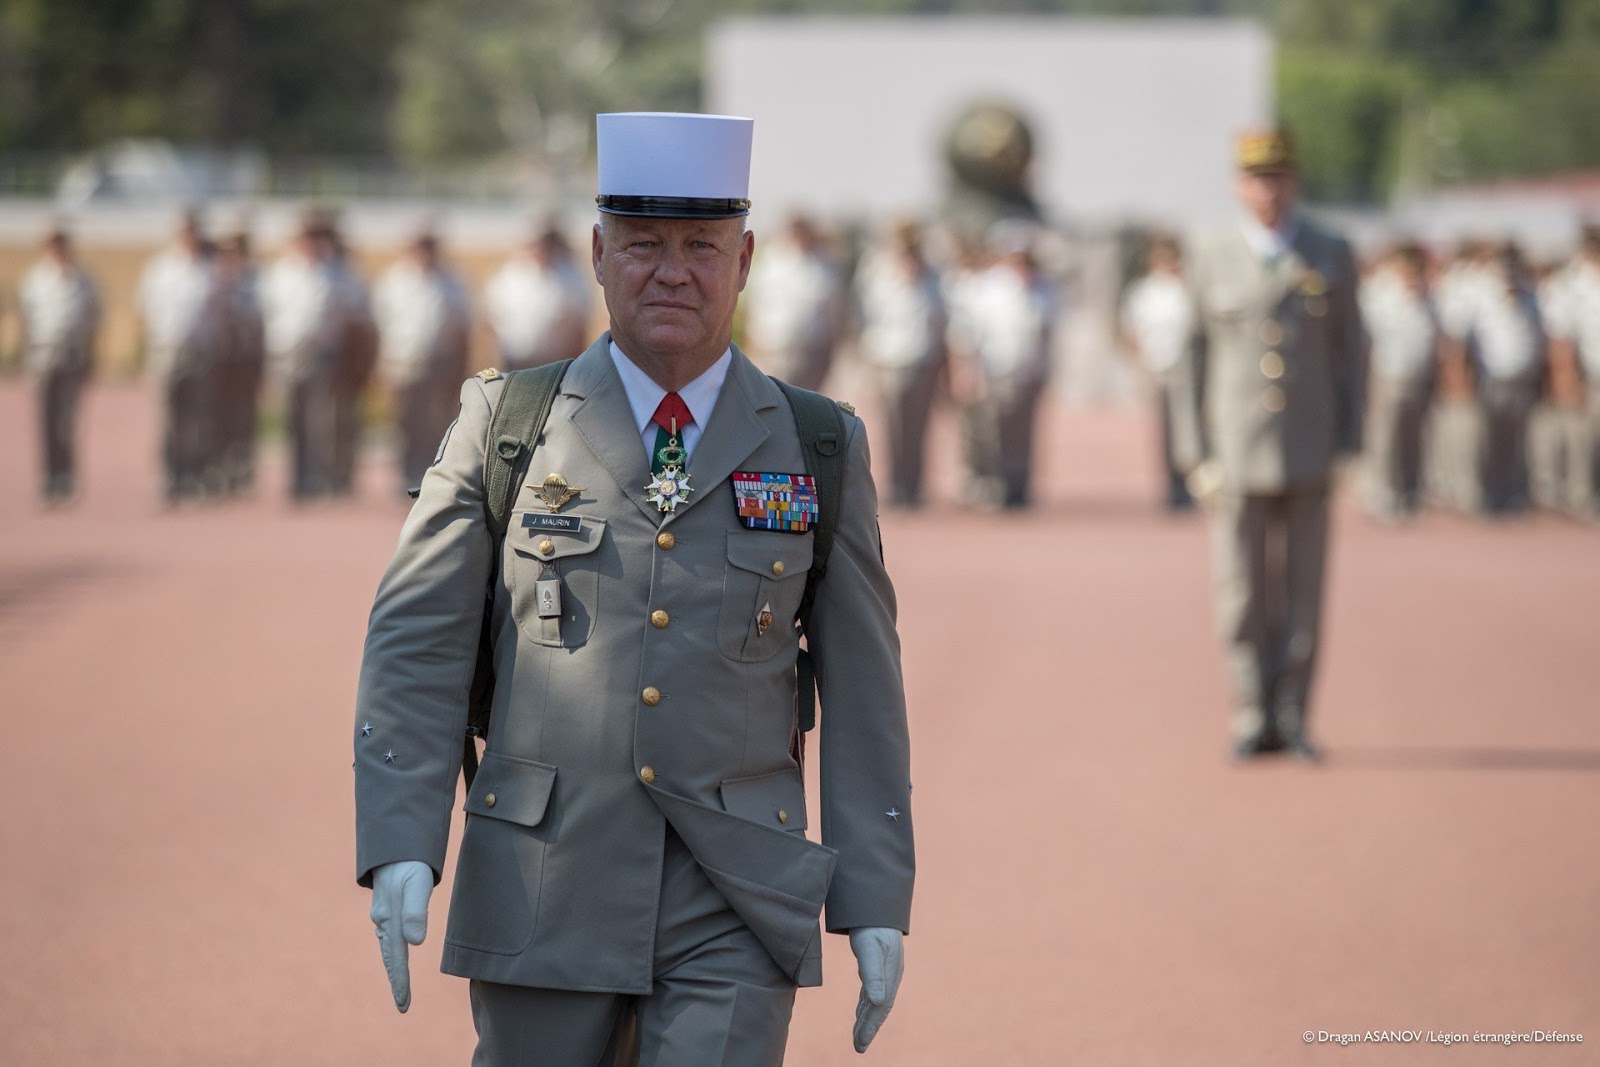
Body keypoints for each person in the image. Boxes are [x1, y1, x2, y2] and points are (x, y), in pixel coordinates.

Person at [353, 112, 913, 1065]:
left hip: (736, 889)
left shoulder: (818, 444)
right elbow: (418, 642)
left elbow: (864, 686)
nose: (673, 271)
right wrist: (401, 838)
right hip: (544, 874)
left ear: (744, 260)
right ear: (600, 253)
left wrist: (873, 895)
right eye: (645, 245)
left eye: (702, 246)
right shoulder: (508, 422)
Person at [1172, 128, 1365, 760]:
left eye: (1278, 177)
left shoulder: (1331, 250)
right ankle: (1252, 714)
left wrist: (1350, 445)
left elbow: (1351, 353)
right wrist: (1194, 453)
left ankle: (1296, 716)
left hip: (1309, 447)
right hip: (1235, 451)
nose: (1268, 189)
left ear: (1295, 183)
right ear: (1238, 186)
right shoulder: (1210, 252)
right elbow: (1191, 357)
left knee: (1306, 593)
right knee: (1242, 593)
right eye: (1256, 178)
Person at [947, 222, 1057, 510]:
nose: (1021, 263)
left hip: (1028, 373)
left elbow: (1047, 334)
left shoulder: (1043, 287)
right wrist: (965, 371)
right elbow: (965, 334)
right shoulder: (986, 288)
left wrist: (1046, 370)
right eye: (1015, 257)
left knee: (1023, 434)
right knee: (990, 433)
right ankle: (993, 486)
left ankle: (1019, 488)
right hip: (994, 370)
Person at [1442, 243, 1543, 515]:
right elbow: (1459, 339)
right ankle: (1487, 496)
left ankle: (1511, 496)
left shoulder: (1532, 299)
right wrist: (1459, 376)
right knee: (1487, 442)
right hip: (1491, 380)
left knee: (1517, 442)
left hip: (1522, 381)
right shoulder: (1482, 298)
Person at [854, 219, 947, 508]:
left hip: (921, 362)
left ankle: (914, 485)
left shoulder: (934, 280)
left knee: (917, 428)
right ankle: (896, 484)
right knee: (892, 426)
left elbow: (941, 323)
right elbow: (865, 320)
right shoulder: (878, 278)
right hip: (888, 360)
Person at [372, 228, 471, 496]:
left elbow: (461, 329)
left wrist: (459, 367)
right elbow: (380, 325)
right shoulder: (394, 281)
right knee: (404, 423)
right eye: (419, 247)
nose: (424, 253)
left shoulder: (451, 281)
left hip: (439, 361)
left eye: (428, 247)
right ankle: (407, 477)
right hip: (402, 360)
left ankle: (434, 477)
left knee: (437, 422)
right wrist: (381, 364)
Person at [261, 212, 349, 501]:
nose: (310, 245)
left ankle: (317, 478)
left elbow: (344, 318)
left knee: (319, 423)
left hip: (322, 356)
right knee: (292, 421)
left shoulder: (333, 274)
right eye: (305, 239)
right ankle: (297, 479)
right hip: (287, 355)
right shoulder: (281, 273)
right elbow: (269, 315)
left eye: (315, 239)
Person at [138, 211, 224, 504]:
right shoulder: (160, 269)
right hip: (167, 350)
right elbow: (144, 313)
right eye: (184, 232)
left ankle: (194, 477)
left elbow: (220, 314)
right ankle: (168, 478)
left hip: (201, 353)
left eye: (193, 231)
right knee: (167, 420)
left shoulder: (210, 269)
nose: (189, 237)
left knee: (198, 421)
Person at [18, 228, 100, 503]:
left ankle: (67, 477)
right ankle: (49, 477)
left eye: (60, 244)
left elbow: (92, 322)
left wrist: (91, 357)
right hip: (43, 356)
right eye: (51, 245)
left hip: (71, 357)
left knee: (68, 423)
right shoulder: (35, 280)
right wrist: (26, 356)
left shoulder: (83, 281)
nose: (56, 250)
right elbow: (25, 321)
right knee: (45, 422)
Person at [1358, 243, 1438, 520]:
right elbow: (1365, 339)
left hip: (1418, 376)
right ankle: (1384, 495)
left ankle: (1410, 494)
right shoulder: (1379, 294)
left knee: (1413, 439)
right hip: (1387, 374)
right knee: (1386, 439)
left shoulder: (1428, 298)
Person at [1120, 234, 1198, 511]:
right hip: (1159, 366)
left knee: (1191, 426)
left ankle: (1193, 481)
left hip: (1189, 367)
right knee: (1167, 429)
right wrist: (1141, 366)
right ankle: (1173, 486)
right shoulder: (1144, 291)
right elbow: (1131, 331)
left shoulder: (1190, 288)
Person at [1537, 227, 1600, 520]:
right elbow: (1560, 335)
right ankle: (1579, 497)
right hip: (1586, 373)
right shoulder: (1571, 282)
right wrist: (1566, 376)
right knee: (1582, 441)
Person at [742, 213, 844, 391]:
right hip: (773, 351)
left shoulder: (824, 267)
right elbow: (755, 307)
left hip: (811, 354)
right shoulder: (771, 264)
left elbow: (834, 313)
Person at [483, 219, 593, 370]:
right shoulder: (510, 275)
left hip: (554, 364)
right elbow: (491, 317)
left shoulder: (568, 277)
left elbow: (577, 326)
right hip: (514, 361)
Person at [211, 224, 266, 496]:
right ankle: (218, 471)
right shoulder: (214, 280)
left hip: (246, 360)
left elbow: (261, 322)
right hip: (218, 361)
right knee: (216, 419)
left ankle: (241, 473)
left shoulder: (257, 281)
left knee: (244, 419)